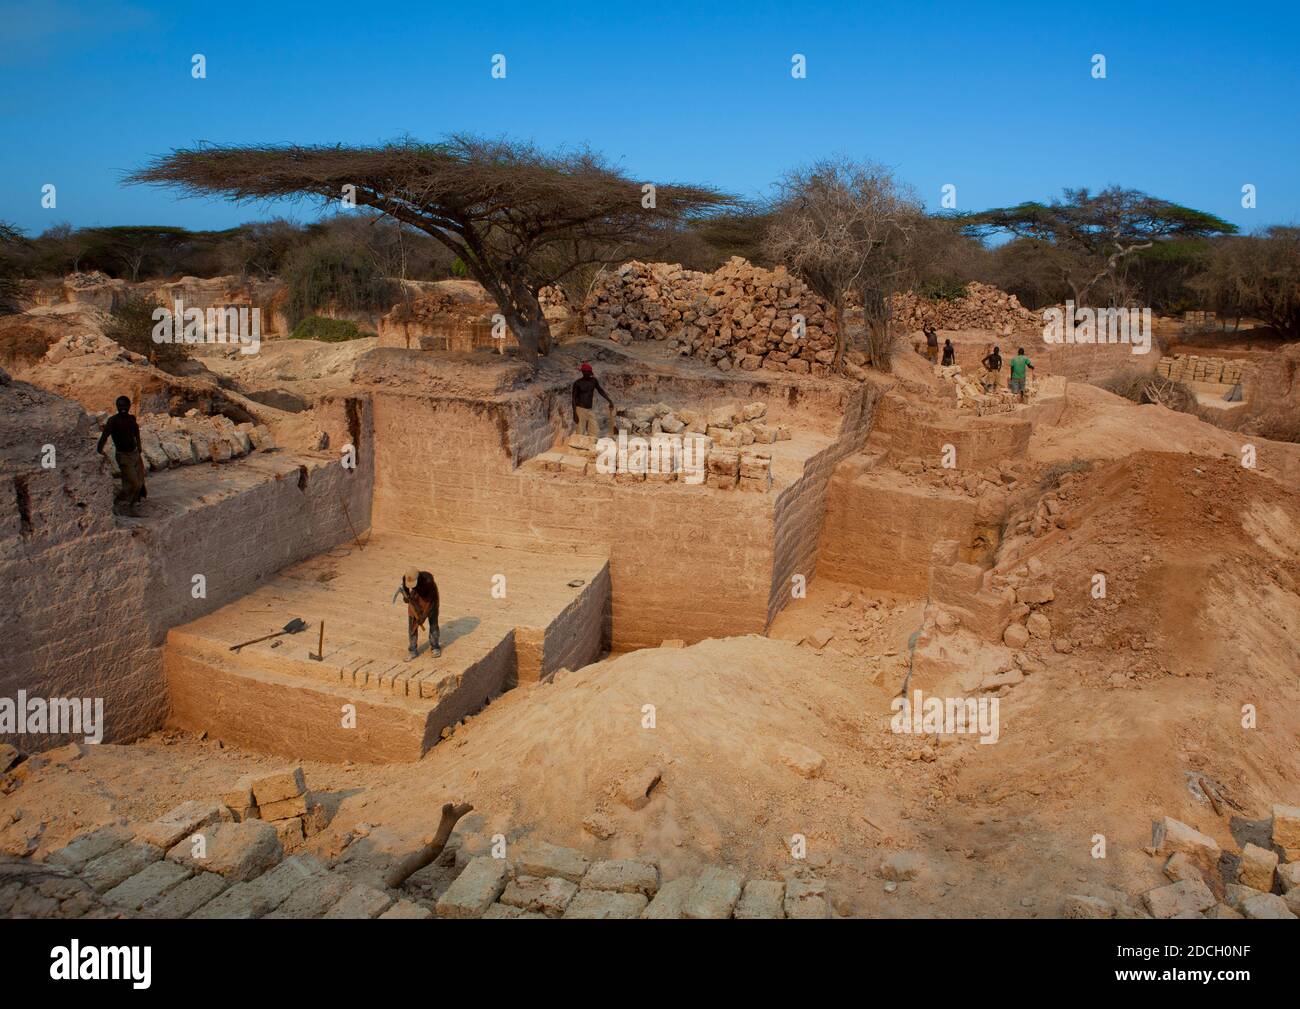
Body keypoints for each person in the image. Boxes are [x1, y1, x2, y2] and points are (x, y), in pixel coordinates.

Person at [96, 396, 146, 516]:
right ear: (117, 406)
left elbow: (136, 433)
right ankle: (117, 503)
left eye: (125, 406)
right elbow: (104, 437)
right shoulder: (113, 421)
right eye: (120, 406)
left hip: (134, 454)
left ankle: (131, 506)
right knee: (134, 483)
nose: (123, 408)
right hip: (123, 456)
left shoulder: (132, 418)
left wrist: (139, 447)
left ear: (129, 406)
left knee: (140, 482)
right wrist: (99, 451)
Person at [398, 567, 441, 660]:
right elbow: (405, 589)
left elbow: (431, 602)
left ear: (418, 578)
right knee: (412, 623)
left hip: (430, 598)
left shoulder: (428, 581)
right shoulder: (406, 578)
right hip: (416, 596)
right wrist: (406, 596)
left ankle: (435, 647)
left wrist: (423, 616)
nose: (412, 586)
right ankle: (413, 650)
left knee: (433, 623)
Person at [572, 362, 614, 437]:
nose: (589, 374)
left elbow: (600, 390)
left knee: (595, 430)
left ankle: (591, 445)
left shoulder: (593, 381)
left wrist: (609, 400)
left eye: (589, 372)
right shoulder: (577, 383)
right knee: (580, 431)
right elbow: (573, 399)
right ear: (583, 372)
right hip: (580, 410)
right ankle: (579, 446)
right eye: (587, 372)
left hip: (590, 409)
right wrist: (574, 413)